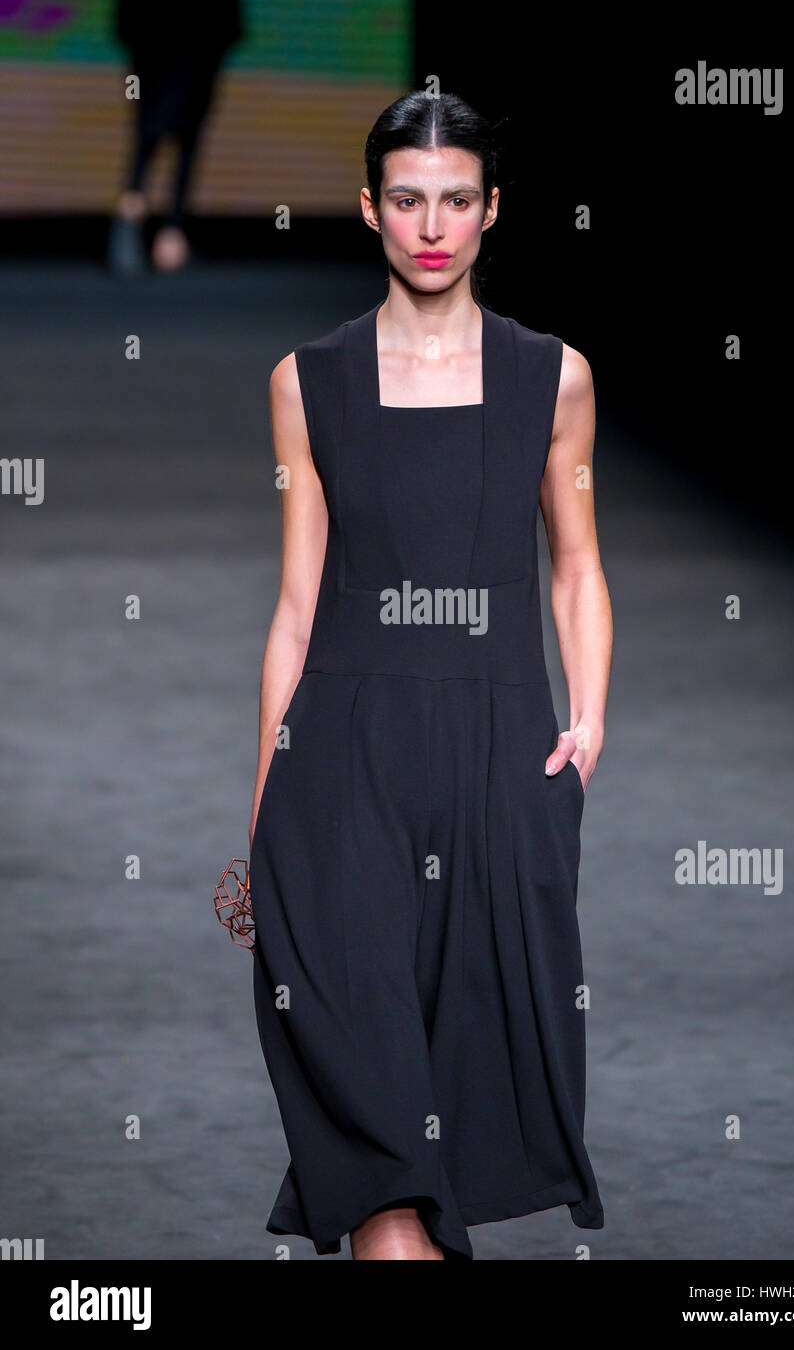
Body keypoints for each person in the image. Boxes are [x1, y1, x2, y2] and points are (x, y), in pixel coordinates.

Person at [248, 91, 612, 1260]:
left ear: (493, 209)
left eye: (457, 199)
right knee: (382, 1159)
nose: (432, 225)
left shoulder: (554, 378)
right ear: (370, 209)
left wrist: (588, 718)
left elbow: (576, 566)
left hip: (497, 766)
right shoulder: (307, 382)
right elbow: (299, 603)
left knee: (451, 1129)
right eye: (408, 199)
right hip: (342, 772)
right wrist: (263, 813)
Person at [108, 0, 242, 274]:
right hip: (173, 39)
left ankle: (160, 231)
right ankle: (154, 229)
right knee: (168, 134)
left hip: (176, 38)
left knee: (163, 133)